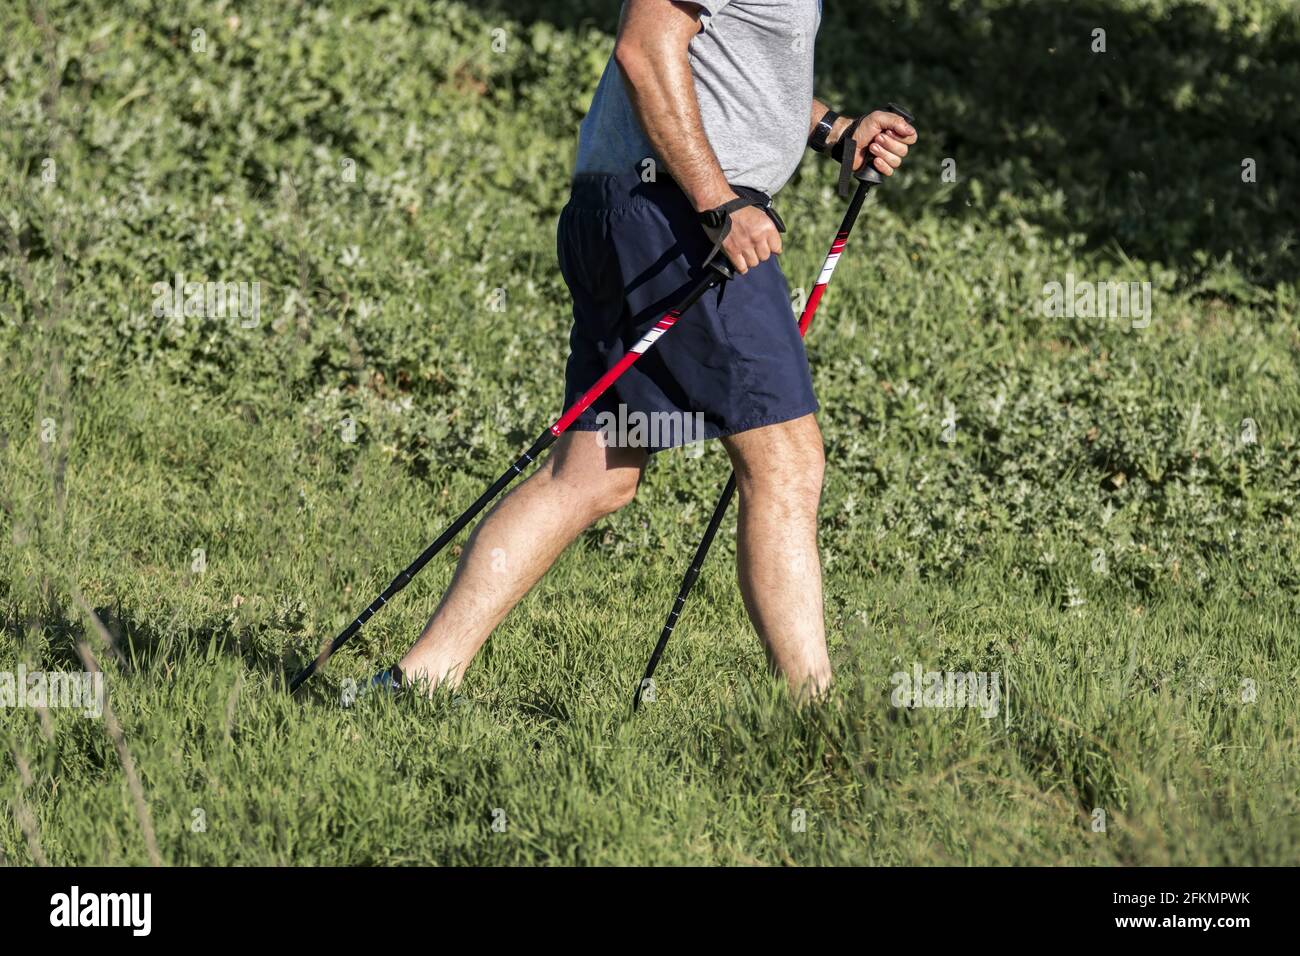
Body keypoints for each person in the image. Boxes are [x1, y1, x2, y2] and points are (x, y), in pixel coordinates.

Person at [386, 0, 916, 700]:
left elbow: (733, 65)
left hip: (636, 207)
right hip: (679, 218)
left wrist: (834, 130)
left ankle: (419, 679)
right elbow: (645, 44)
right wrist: (718, 202)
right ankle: (813, 718)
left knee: (593, 474)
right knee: (787, 459)